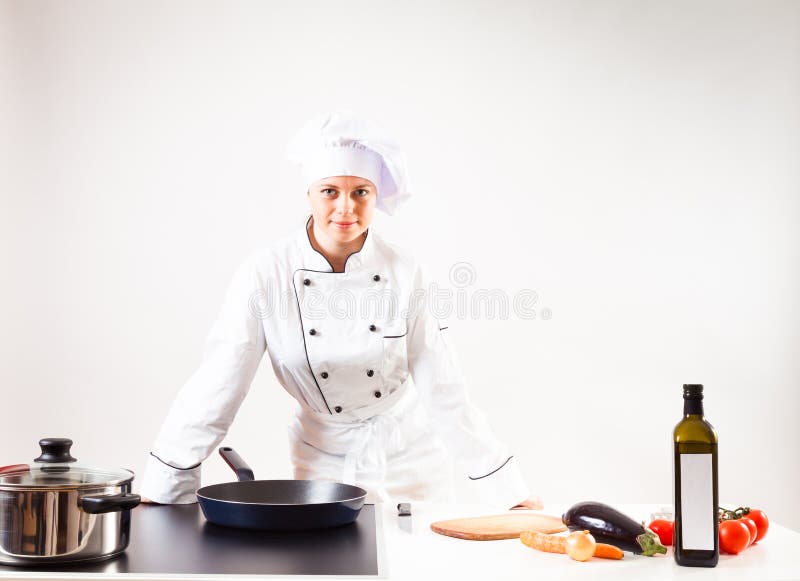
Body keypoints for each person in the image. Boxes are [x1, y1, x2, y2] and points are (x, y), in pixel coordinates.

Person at [140, 111, 542, 509]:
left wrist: (509, 492)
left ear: (376, 197)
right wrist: (166, 483)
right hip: (322, 463)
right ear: (310, 194)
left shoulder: (403, 269)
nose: (346, 208)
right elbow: (219, 382)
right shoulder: (265, 273)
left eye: (361, 192)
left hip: (413, 458)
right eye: (330, 191)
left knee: (423, 568)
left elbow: (442, 384)